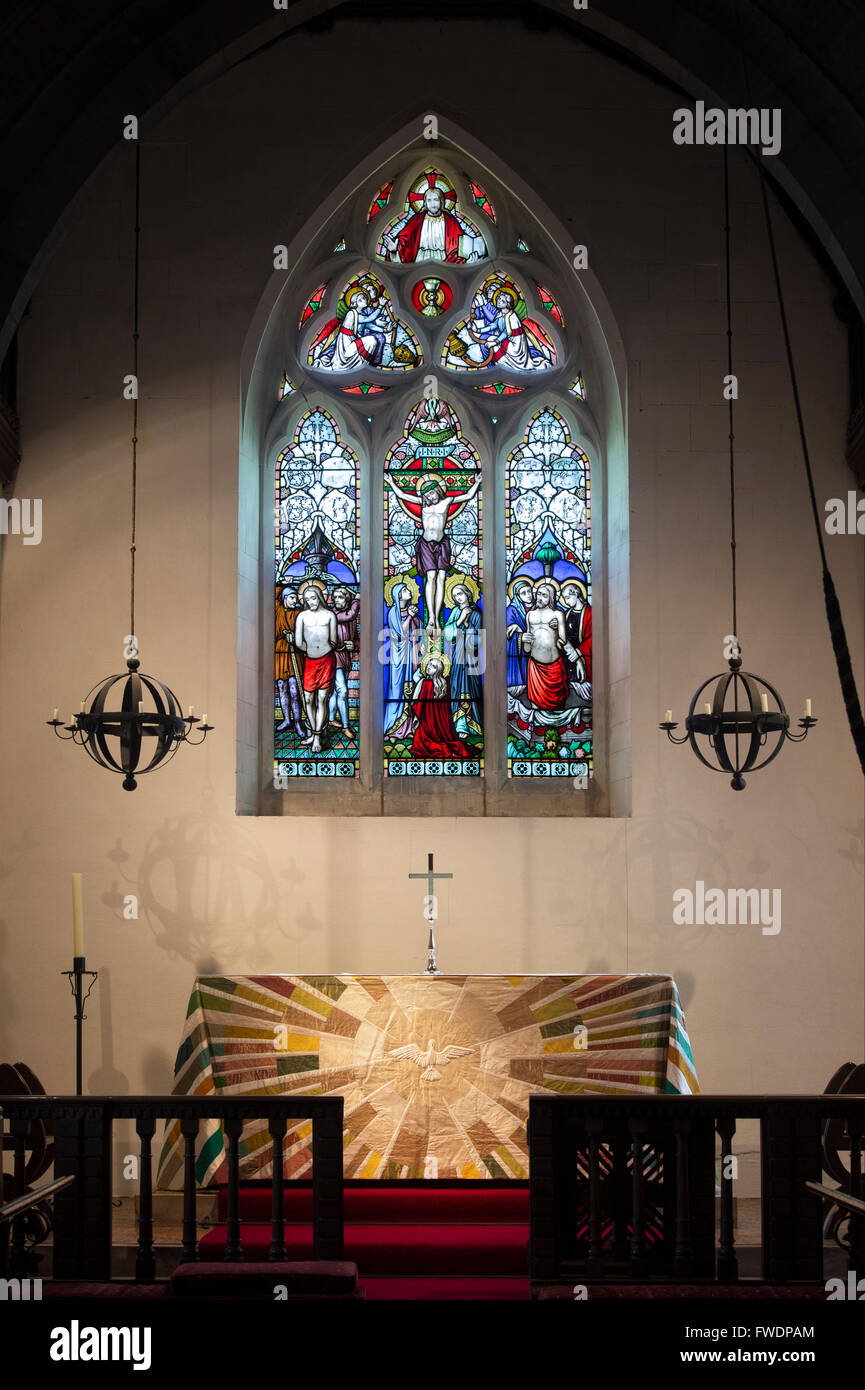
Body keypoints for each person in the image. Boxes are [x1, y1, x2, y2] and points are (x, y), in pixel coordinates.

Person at [387, 471, 481, 630]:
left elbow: (468, 496)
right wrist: (390, 482)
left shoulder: (447, 501)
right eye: (427, 495)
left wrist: (477, 482)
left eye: (431, 492)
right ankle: (431, 617)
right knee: (431, 577)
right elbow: (402, 495)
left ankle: (437, 617)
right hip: (426, 544)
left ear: (437, 490)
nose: (430, 497)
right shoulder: (423, 504)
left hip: (442, 543)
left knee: (442, 578)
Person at [380, 185, 485, 264]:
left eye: (436, 199)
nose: (433, 203)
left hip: (445, 261)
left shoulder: (450, 220)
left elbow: (459, 246)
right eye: (429, 200)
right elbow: (406, 241)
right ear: (425, 203)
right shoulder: (416, 220)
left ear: (441, 201)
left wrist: (467, 259)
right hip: (420, 260)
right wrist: (396, 249)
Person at [294, 584, 338, 754]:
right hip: (310, 661)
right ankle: (314, 732)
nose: (310, 602)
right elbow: (299, 642)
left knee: (322, 699)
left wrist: (323, 648)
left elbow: (333, 640)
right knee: (307, 699)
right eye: (307, 600)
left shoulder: (329, 615)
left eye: (313, 598)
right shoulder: (302, 617)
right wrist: (311, 650)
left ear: (320, 597)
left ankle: (317, 736)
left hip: (327, 660)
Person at [409, 655, 469, 759]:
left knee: (423, 741)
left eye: (432, 666)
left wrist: (416, 711)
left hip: (432, 724)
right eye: (428, 664)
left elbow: (419, 705)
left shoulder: (436, 684)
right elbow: (419, 702)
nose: (428, 666)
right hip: (433, 723)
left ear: (438, 670)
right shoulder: (436, 683)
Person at [524, 580, 569, 711]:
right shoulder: (530, 615)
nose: (540, 598)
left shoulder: (558, 614)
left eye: (544, 595)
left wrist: (558, 628)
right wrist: (525, 640)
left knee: (557, 704)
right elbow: (527, 645)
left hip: (553, 665)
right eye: (538, 594)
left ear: (551, 598)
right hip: (535, 666)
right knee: (535, 705)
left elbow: (563, 640)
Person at [384, 581, 420, 735]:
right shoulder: (393, 612)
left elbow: (417, 629)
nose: (408, 591)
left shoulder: (410, 610)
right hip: (399, 657)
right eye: (405, 590)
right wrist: (410, 616)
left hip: (411, 653)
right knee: (397, 690)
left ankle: (408, 728)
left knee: (411, 689)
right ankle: (393, 728)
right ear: (398, 594)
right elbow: (400, 633)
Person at [445, 581, 483, 726]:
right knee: (456, 685)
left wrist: (468, 625)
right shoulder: (455, 612)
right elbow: (447, 634)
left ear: (467, 593)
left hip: (471, 657)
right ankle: (457, 722)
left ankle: (473, 723)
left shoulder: (477, 613)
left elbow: (479, 639)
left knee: (472, 686)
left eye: (460, 594)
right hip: (456, 655)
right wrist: (460, 620)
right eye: (455, 596)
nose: (458, 598)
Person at [274, 583, 306, 737]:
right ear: (285, 598)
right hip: (281, 653)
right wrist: (284, 583)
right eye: (292, 597)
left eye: (295, 597)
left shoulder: (299, 613)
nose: (295, 600)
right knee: (282, 687)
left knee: (294, 689)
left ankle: (298, 722)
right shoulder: (279, 610)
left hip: (295, 651)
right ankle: (287, 719)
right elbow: (274, 594)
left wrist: (295, 637)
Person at [328, 586, 360, 732]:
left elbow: (356, 638)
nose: (336, 600)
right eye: (334, 597)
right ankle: (346, 726)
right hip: (333, 656)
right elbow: (351, 615)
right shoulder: (333, 614)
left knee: (336, 691)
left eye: (339, 597)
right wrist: (357, 600)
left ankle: (331, 719)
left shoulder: (348, 615)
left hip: (345, 657)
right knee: (343, 691)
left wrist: (353, 644)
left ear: (347, 598)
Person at [560, 580, 592, 685]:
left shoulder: (589, 613)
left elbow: (593, 639)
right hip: (567, 656)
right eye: (564, 598)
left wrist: (578, 652)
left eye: (567, 598)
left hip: (583, 657)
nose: (565, 601)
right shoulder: (566, 613)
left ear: (576, 594)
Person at [506, 579, 534, 688]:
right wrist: (520, 637)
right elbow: (506, 636)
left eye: (529, 591)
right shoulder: (511, 610)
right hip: (519, 655)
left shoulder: (538, 607)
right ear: (518, 596)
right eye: (524, 593)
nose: (528, 595)